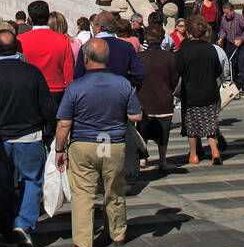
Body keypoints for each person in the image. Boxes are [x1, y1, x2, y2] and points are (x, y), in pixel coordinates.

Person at [54, 35, 142, 247]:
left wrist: (59, 149)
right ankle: (118, 232)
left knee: (83, 193)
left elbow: (64, 123)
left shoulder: (76, 87)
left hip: (84, 143)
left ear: (86, 58)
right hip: (113, 143)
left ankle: (84, 242)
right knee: (114, 189)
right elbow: (136, 116)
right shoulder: (123, 84)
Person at [0, 28, 57, 247]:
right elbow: (48, 107)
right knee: (31, 181)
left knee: (0, 184)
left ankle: (7, 228)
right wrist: (49, 132)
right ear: (17, 48)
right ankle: (23, 224)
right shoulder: (32, 72)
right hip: (30, 136)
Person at [176, 16, 223, 166]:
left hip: (191, 91)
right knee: (210, 122)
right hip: (209, 91)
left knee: (192, 125)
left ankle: (194, 155)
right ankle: (215, 152)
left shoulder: (185, 46)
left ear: (189, 32)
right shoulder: (210, 47)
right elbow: (217, 70)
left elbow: (179, 69)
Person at [137, 22, 178, 172]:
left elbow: (136, 78)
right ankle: (162, 159)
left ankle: (142, 158)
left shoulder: (139, 57)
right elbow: (174, 80)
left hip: (144, 100)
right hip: (163, 100)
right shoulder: (170, 57)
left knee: (143, 131)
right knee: (163, 133)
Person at [18, 0, 75, 106]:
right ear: (48, 17)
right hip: (57, 92)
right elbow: (69, 72)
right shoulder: (63, 40)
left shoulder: (20, 40)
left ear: (29, 19)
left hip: (29, 91)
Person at [73, 12, 145, 84]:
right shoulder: (127, 46)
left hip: (92, 91)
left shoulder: (87, 47)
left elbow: (78, 75)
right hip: (119, 91)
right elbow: (139, 72)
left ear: (99, 28)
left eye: (93, 25)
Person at [218, 2, 244, 96]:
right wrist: (221, 38)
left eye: (227, 13)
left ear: (232, 11)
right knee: (230, 64)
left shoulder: (239, 18)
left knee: (242, 64)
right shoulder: (223, 19)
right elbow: (223, 30)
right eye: (224, 13)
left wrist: (241, 40)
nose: (226, 15)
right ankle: (234, 85)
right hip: (230, 43)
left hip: (241, 44)